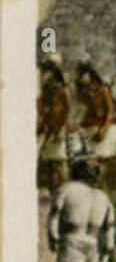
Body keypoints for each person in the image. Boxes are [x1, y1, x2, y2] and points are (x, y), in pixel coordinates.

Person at [46, 142, 114, 262]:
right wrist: (106, 256)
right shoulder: (102, 197)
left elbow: (54, 216)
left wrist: (54, 239)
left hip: (71, 243)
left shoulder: (66, 190)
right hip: (93, 246)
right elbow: (109, 231)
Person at [75, 61, 116, 192]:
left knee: (105, 158)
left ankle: (110, 188)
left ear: (90, 75)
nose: (82, 78)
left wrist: (103, 129)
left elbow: (109, 111)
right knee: (88, 158)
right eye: (80, 76)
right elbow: (86, 110)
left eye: (84, 75)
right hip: (91, 126)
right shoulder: (84, 91)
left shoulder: (103, 89)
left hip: (106, 126)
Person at [38, 55, 74, 191]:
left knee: (57, 161)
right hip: (49, 129)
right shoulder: (46, 89)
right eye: (45, 71)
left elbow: (68, 110)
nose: (47, 74)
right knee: (47, 161)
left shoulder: (63, 89)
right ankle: (52, 189)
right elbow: (42, 106)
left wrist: (61, 129)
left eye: (49, 71)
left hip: (60, 129)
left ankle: (61, 189)